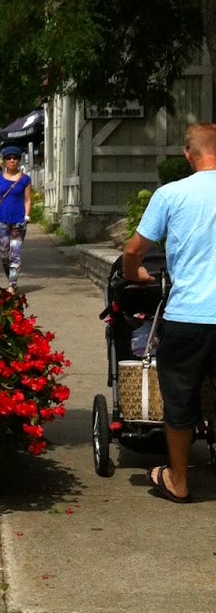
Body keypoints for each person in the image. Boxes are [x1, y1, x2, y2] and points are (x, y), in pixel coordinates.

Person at [123, 122, 216, 503]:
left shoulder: (171, 194)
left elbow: (133, 251)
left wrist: (136, 276)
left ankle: (179, 481)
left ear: (186, 156)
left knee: (179, 402)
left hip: (189, 316)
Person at [0, 146, 33, 290]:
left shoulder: (25, 179)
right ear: (5, 161)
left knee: (15, 253)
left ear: (19, 161)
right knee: (4, 252)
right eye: (9, 158)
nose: (12, 161)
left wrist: (26, 216)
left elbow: (27, 199)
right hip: (1, 219)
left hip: (18, 220)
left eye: (15, 158)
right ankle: (10, 276)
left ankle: (12, 285)